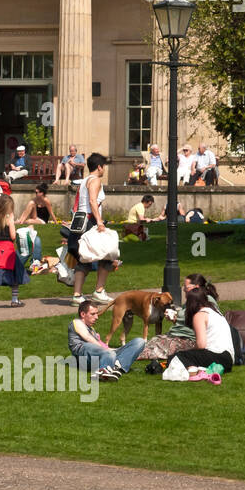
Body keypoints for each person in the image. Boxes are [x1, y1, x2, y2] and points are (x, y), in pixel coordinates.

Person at [69, 153, 114, 307]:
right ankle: (99, 291)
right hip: (91, 221)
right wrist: (100, 222)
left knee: (84, 258)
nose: (104, 170)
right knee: (107, 254)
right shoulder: (95, 180)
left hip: (80, 221)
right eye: (104, 167)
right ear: (99, 167)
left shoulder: (84, 181)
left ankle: (77, 295)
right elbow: (92, 201)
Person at [67, 299, 145, 382]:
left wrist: (121, 351)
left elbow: (103, 347)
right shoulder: (76, 322)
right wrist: (109, 351)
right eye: (93, 314)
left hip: (101, 355)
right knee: (106, 352)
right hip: (84, 356)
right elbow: (88, 338)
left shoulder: (92, 330)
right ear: (83, 314)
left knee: (139, 342)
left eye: (97, 314)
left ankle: (116, 367)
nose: (96, 317)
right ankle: (101, 371)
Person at [170, 285, 236, 376]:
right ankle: (203, 370)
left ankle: (193, 371)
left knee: (176, 357)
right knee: (188, 355)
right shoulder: (215, 311)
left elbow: (201, 345)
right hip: (228, 360)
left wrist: (191, 350)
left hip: (216, 357)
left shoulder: (200, 315)